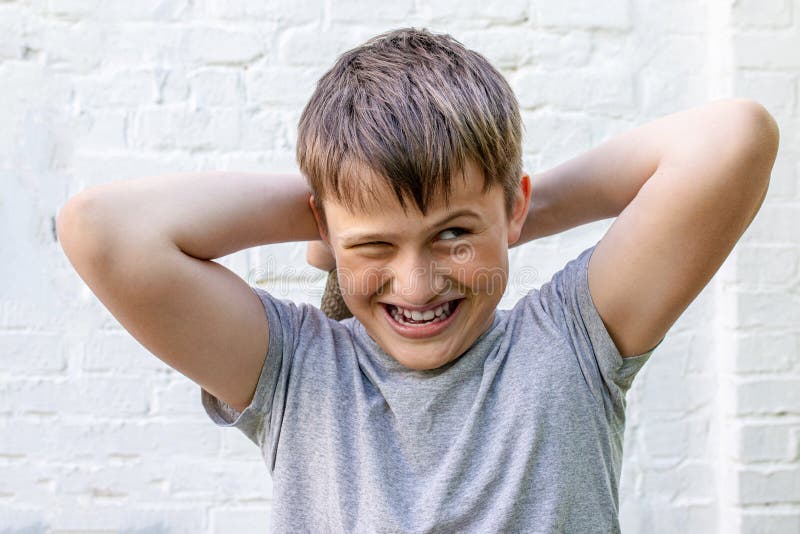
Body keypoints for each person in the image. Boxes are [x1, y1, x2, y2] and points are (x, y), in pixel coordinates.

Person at [56, 27, 778, 533]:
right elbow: (98, 229)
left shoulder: (569, 344)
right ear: (327, 229)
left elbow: (734, 139)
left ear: (514, 207)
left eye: (452, 236)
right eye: (375, 246)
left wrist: (508, 214)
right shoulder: (296, 372)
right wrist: (335, 210)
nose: (418, 282)